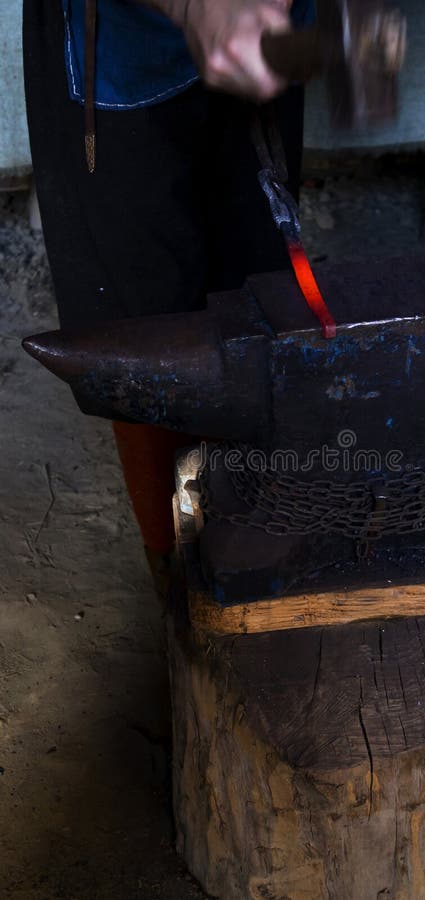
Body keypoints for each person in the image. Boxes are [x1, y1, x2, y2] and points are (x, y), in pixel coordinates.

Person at [23, 0, 311, 587]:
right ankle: (174, 578)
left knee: (256, 287)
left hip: (263, 26)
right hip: (123, 42)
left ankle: (242, 541)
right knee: (143, 323)